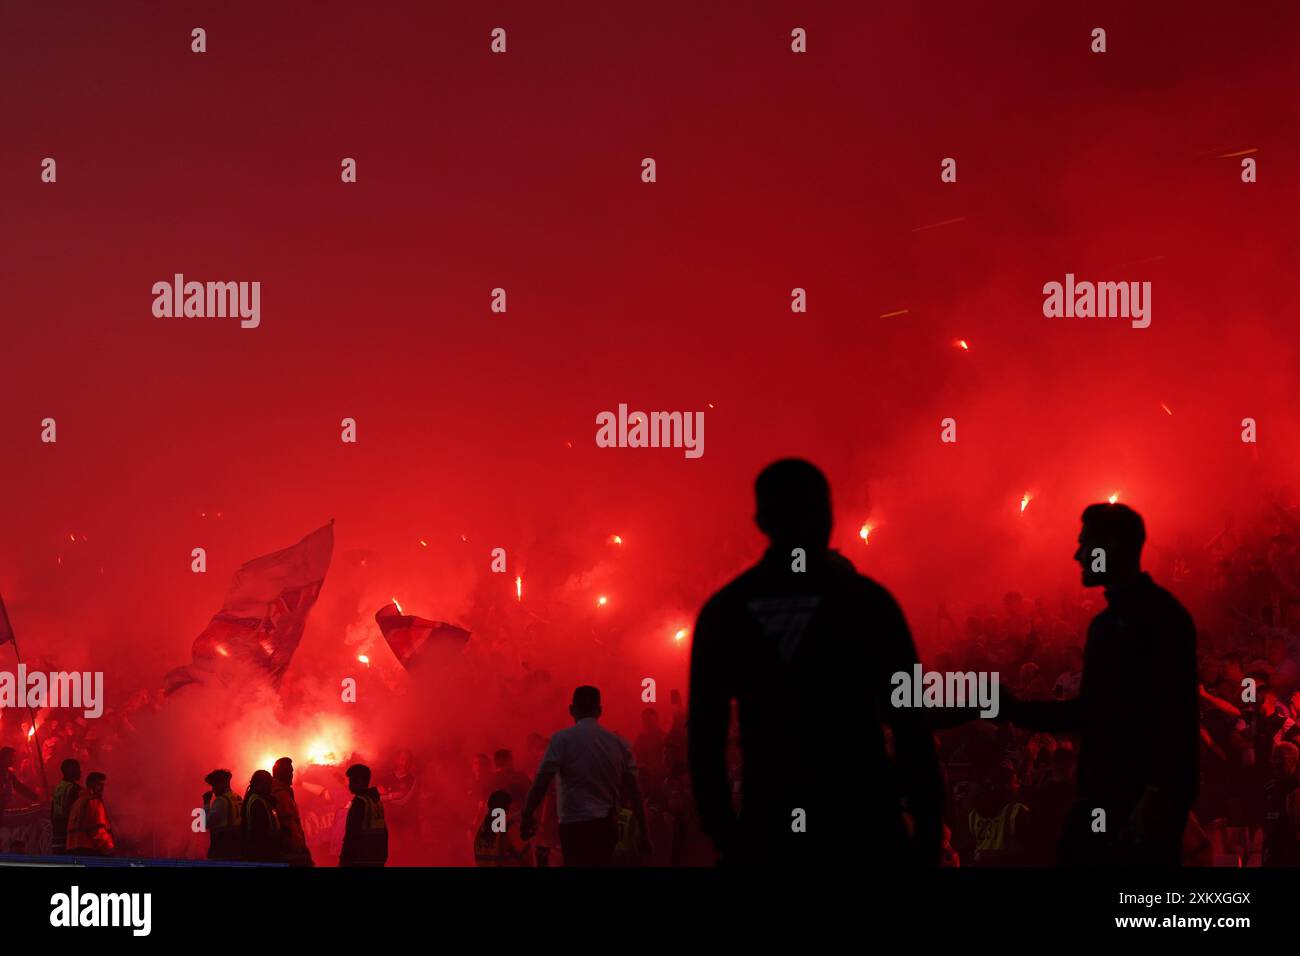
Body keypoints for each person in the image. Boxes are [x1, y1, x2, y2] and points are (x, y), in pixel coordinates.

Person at [689, 459, 943, 866]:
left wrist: (727, 836)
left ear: (760, 519)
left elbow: (704, 738)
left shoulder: (726, 611)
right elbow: (910, 722)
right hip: (864, 828)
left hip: (771, 828)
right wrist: (928, 830)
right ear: (829, 515)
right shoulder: (868, 601)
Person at [1003, 503, 1199, 865]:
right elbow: (1091, 712)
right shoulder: (1105, 625)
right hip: (1104, 793)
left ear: (1111, 547)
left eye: (1085, 544)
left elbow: (1176, 713)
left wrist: (1158, 793)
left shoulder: (1160, 616)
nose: (1077, 555)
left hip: (1138, 798)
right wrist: (1011, 708)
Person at [522, 685, 649, 867]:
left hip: (573, 826)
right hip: (606, 825)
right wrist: (644, 833)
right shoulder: (618, 743)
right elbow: (634, 792)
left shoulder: (561, 740)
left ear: (572, 710)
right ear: (599, 711)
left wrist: (527, 815)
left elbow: (541, 783)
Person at [340, 764, 388, 867]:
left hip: (360, 858)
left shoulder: (360, 802)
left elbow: (351, 835)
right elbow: (384, 831)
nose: (349, 785)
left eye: (351, 781)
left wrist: (344, 860)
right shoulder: (377, 802)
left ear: (359, 781)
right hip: (376, 857)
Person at [473, 790, 533, 866]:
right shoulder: (506, 825)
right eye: (509, 806)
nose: (511, 810)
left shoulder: (481, 828)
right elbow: (525, 857)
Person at [272, 758, 313, 866]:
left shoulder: (284, 792)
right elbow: (289, 825)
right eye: (289, 772)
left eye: (292, 771)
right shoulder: (280, 795)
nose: (291, 775)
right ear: (279, 773)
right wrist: (300, 848)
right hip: (291, 852)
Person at [65, 771, 113, 855]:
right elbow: (97, 830)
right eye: (99, 784)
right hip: (89, 849)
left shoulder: (78, 801)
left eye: (103, 785)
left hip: (74, 849)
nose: (102, 788)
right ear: (90, 785)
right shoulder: (93, 801)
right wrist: (109, 848)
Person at [202, 769, 243, 860]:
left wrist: (206, 803)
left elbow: (205, 823)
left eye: (214, 785)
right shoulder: (238, 797)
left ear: (222, 783)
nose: (213, 789)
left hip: (222, 850)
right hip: (238, 848)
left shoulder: (221, 801)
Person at [242, 769, 281, 862]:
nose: (270, 788)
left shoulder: (261, 799)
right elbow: (260, 831)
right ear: (260, 785)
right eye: (268, 784)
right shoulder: (257, 802)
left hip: (265, 850)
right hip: (263, 852)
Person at [0, 746, 40, 828]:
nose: (14, 759)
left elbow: (18, 786)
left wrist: (35, 797)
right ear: (5, 757)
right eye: (12, 757)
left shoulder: (7, 772)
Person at [50, 758, 82, 854]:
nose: (80, 771)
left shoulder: (58, 787)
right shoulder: (75, 789)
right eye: (78, 768)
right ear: (70, 770)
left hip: (57, 830)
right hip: (69, 833)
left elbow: (52, 810)